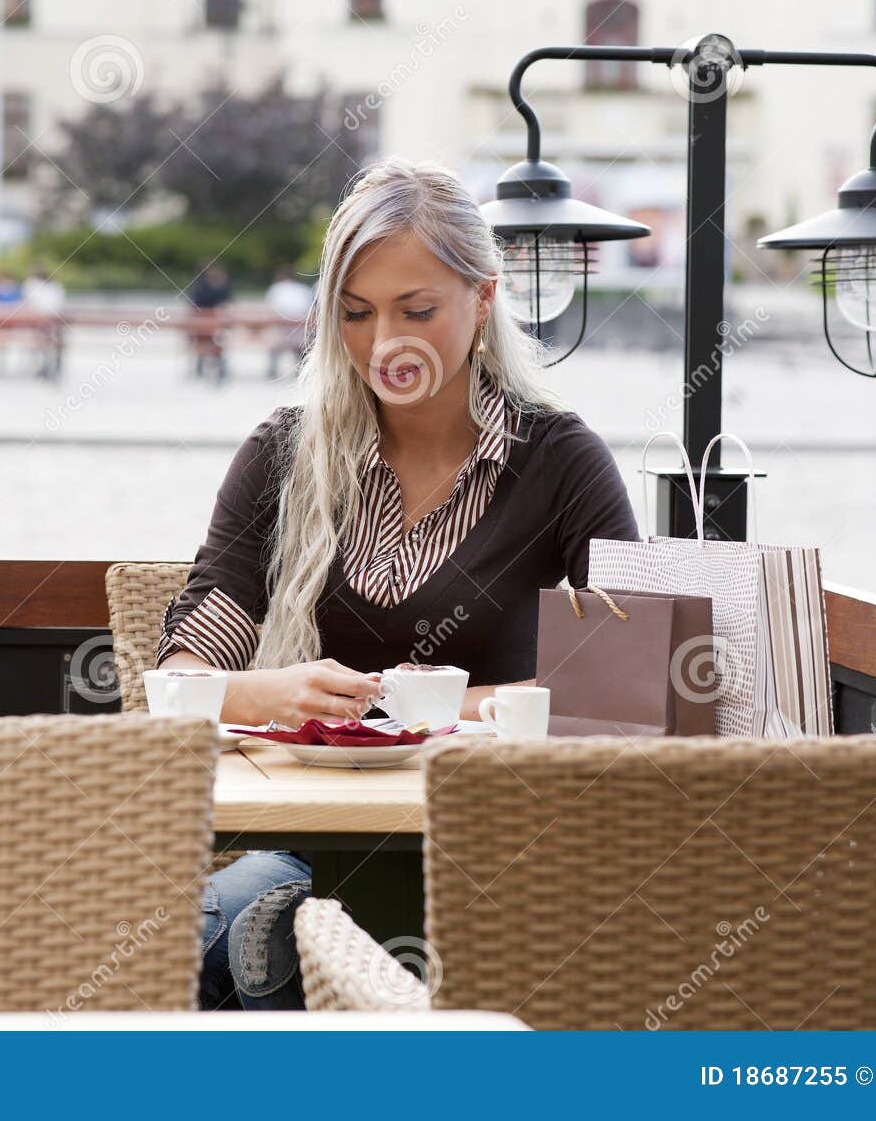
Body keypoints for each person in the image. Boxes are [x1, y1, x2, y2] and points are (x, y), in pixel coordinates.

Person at [158, 158, 640, 1010]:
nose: (385, 345)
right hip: (318, 854)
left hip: (500, 847)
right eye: (355, 313)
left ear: (483, 299)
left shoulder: (561, 464)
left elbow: (626, 687)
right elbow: (178, 684)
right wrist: (277, 690)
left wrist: (437, 709)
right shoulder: (282, 456)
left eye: (417, 311)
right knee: (210, 947)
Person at [264, 264, 313, 379]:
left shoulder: (276, 288)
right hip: (300, 328)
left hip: (282, 329)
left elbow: (271, 309)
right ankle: (301, 370)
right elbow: (309, 309)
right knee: (301, 345)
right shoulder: (304, 289)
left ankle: (272, 371)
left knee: (274, 342)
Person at [188, 262, 232, 384]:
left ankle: (204, 369)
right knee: (210, 344)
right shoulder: (207, 289)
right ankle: (210, 369)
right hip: (207, 323)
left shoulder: (204, 288)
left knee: (211, 344)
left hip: (208, 323)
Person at [21, 265, 67, 380]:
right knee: (49, 343)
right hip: (51, 321)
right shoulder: (56, 287)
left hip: (43, 322)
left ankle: (46, 367)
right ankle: (49, 367)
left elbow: (30, 303)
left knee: (43, 343)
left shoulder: (32, 285)